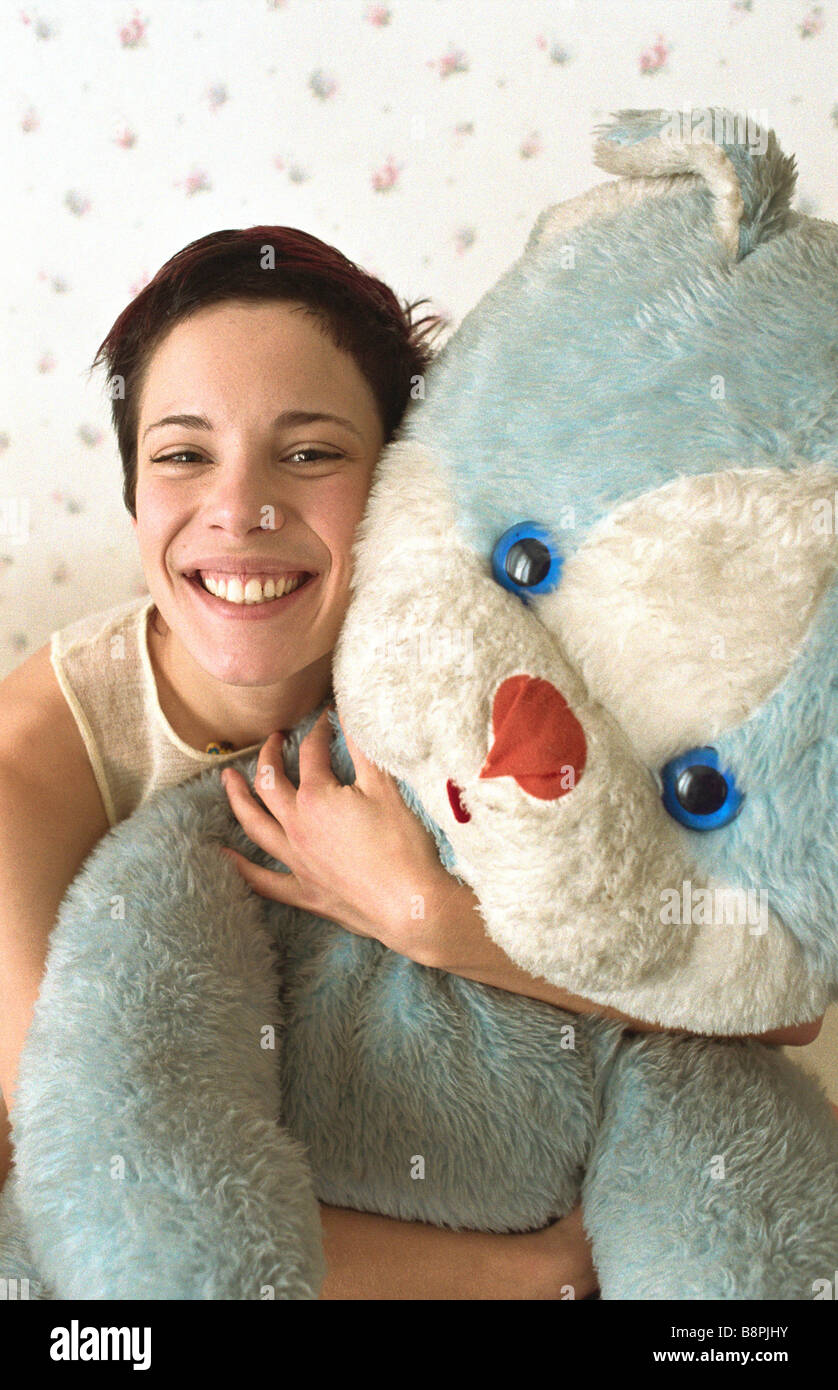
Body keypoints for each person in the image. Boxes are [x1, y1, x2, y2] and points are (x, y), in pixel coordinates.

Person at [0, 227, 823, 1302]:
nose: (239, 508)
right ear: (133, 490)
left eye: (308, 453)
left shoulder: (482, 664)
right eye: (184, 454)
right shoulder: (31, 769)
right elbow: (107, 1183)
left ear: (395, 484)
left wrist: (438, 923)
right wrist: (528, 1273)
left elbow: (774, 1004)